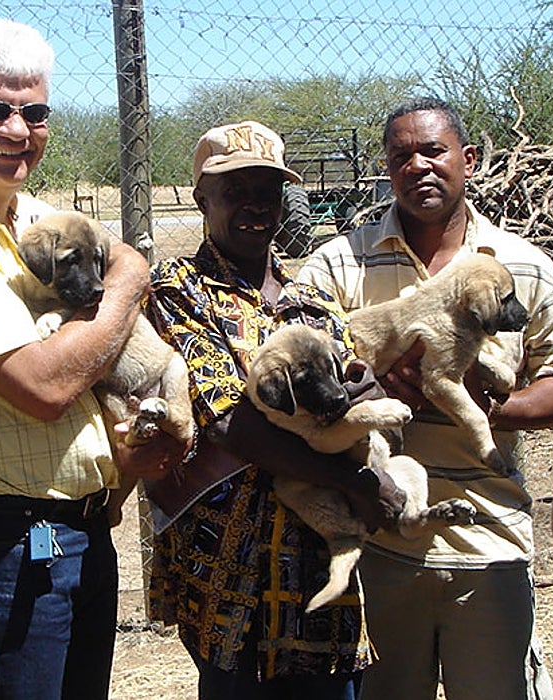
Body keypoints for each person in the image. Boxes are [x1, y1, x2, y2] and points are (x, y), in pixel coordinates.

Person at [0, 18, 183, 700]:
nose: (17, 130)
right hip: (5, 543)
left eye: (35, 112)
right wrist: (128, 284)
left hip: (79, 529)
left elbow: (116, 264)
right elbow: (45, 385)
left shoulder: (27, 214)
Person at [297, 97, 553, 700]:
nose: (418, 167)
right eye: (401, 156)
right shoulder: (337, 265)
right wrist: (375, 389)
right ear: (386, 168)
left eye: (433, 151)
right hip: (378, 538)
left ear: (468, 160)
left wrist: (487, 405)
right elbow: (301, 371)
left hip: (491, 539)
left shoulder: (523, 268)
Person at [143, 119, 406, 700]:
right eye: (235, 190)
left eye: (267, 190)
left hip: (317, 564)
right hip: (230, 571)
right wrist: (355, 481)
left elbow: (360, 395)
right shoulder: (177, 290)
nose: (255, 205)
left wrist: (363, 408)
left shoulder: (314, 301)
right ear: (202, 199)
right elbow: (228, 421)